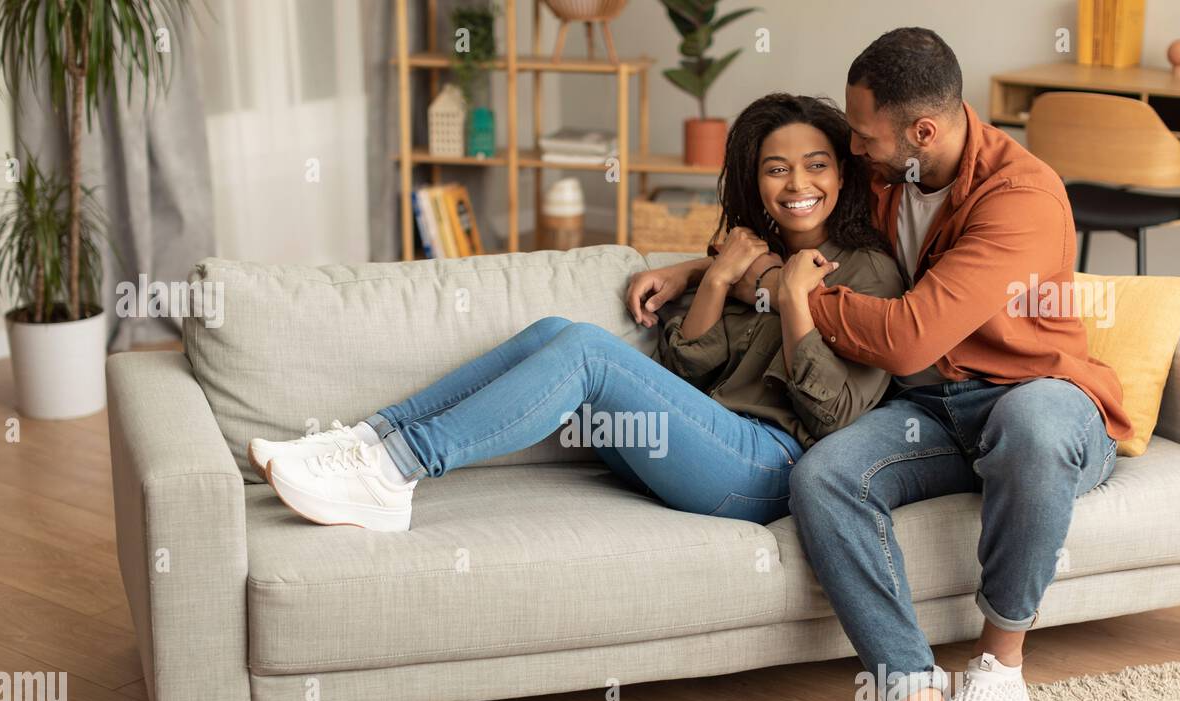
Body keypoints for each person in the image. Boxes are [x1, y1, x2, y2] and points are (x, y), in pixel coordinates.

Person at [631, 28, 1133, 701]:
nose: (849, 149)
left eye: (862, 136)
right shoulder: (888, 169)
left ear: (922, 133)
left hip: (1037, 396)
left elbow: (903, 338)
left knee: (1032, 424)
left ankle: (1000, 671)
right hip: (932, 413)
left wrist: (789, 295)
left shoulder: (1022, 198)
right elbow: (795, 224)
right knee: (825, 474)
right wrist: (703, 269)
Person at [250, 93, 905, 536]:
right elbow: (686, 368)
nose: (798, 185)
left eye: (817, 166)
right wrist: (716, 277)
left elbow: (833, 416)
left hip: (768, 468)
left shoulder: (870, 272)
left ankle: (395, 472)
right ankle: (367, 439)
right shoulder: (745, 254)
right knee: (553, 334)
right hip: (697, 443)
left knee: (587, 351)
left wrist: (793, 300)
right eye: (777, 169)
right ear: (755, 182)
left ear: (843, 176)